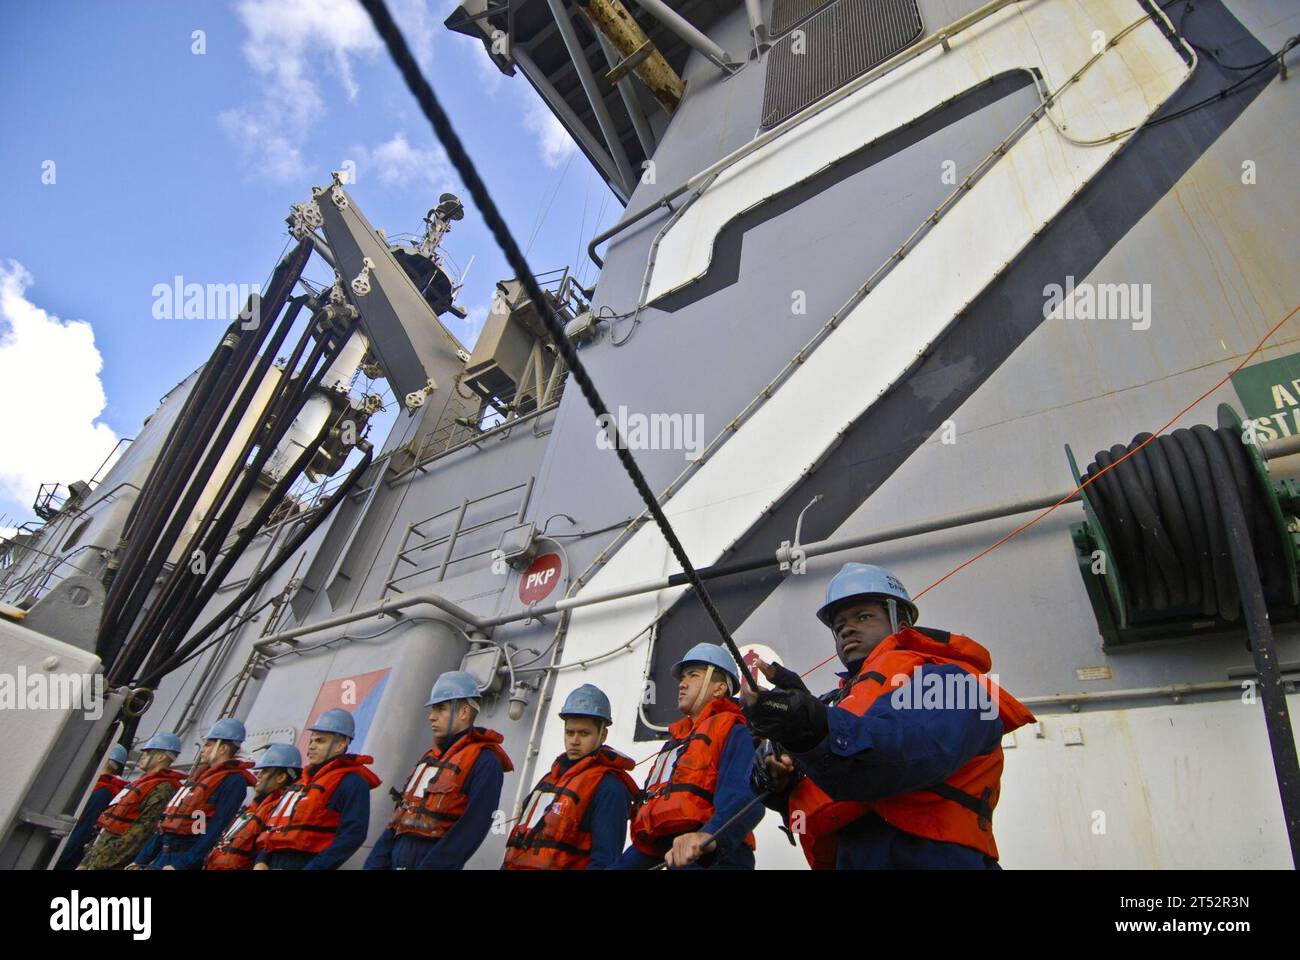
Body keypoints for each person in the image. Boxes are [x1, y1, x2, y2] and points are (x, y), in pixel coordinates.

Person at [743, 562, 1036, 869]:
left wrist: (810, 725)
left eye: (863, 616)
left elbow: (899, 753)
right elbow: (821, 782)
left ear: (903, 622)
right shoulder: (839, 705)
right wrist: (775, 779)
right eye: (839, 624)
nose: (847, 628)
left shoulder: (954, 684)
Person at [614, 643, 763, 869]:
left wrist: (708, 836)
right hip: (666, 849)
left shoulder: (734, 732)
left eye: (693, 675)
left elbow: (744, 797)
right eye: (682, 678)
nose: (682, 684)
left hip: (717, 854)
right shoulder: (675, 742)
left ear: (719, 688)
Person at [365, 671, 512, 870]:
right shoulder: (428, 760)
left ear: (464, 712)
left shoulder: (485, 761)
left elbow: (472, 828)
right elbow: (397, 821)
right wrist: (374, 865)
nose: (431, 717)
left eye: (440, 709)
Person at [502, 683, 637, 869]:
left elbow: (605, 859)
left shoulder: (610, 787)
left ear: (603, 735)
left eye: (584, 733)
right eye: (569, 732)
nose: (574, 740)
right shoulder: (549, 780)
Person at [255, 708, 381, 870]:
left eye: (320, 741)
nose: (312, 746)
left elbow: (353, 835)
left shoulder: (352, 782)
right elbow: (276, 827)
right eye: (311, 741)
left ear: (340, 746)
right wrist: (261, 859)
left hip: (308, 863)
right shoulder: (300, 784)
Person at [130, 717, 255, 870]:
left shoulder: (233, 781)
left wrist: (181, 864)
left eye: (208, 745)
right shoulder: (201, 777)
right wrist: (140, 860)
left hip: (182, 858)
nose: (203, 749)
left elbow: (215, 828)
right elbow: (166, 825)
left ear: (222, 748)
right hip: (162, 856)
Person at [76, 733, 185, 870]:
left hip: (112, 861)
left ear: (161, 757)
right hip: (99, 855)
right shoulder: (140, 783)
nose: (143, 756)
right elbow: (108, 829)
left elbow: (142, 832)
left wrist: (102, 862)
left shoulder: (163, 789)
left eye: (147, 753)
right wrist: (87, 861)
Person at [205, 743, 302, 870]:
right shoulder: (254, 808)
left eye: (265, 771)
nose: (259, 775)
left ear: (281, 777)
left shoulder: (277, 811)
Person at [53, 743, 128, 870]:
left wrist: (58, 857)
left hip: (70, 854)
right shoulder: (104, 788)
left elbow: (84, 828)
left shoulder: (104, 792)